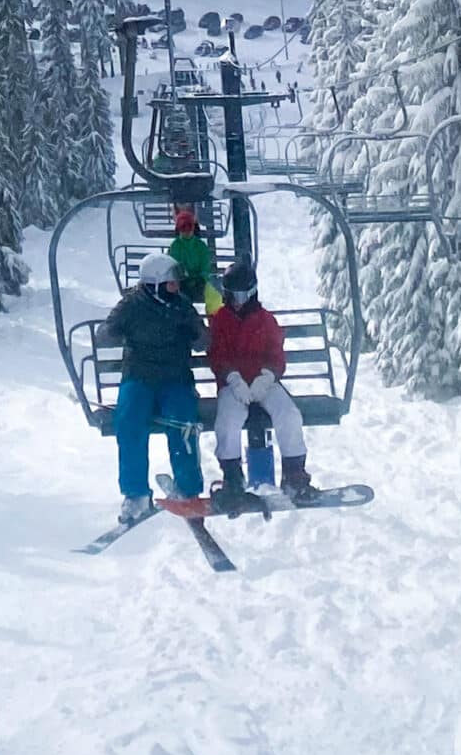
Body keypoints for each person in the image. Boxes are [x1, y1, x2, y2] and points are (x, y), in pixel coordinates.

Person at [96, 251, 208, 523]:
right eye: (171, 283)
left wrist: (194, 332)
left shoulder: (181, 306)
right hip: (140, 375)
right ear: (154, 284)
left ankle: (188, 489)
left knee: (182, 422)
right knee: (129, 421)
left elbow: (203, 340)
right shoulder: (132, 305)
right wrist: (116, 332)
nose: (176, 288)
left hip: (175, 377)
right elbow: (105, 333)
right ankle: (135, 494)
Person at [206, 262, 315, 506]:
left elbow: (276, 355)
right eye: (231, 294)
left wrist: (267, 377)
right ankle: (233, 479)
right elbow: (217, 355)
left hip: (263, 383)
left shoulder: (265, 321)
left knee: (289, 415)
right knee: (227, 421)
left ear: (253, 292)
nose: (236, 301)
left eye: (242, 295)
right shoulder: (221, 321)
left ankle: (294, 475)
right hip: (233, 386)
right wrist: (232, 378)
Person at [167, 207, 221, 315]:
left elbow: (205, 266)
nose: (187, 231)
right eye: (183, 228)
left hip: (199, 283)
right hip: (182, 283)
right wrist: (182, 279)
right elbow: (174, 265)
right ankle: (180, 320)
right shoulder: (175, 247)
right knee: (176, 297)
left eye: (189, 227)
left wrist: (200, 279)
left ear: (193, 228)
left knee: (214, 295)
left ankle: (215, 322)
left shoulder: (201, 246)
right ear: (178, 229)